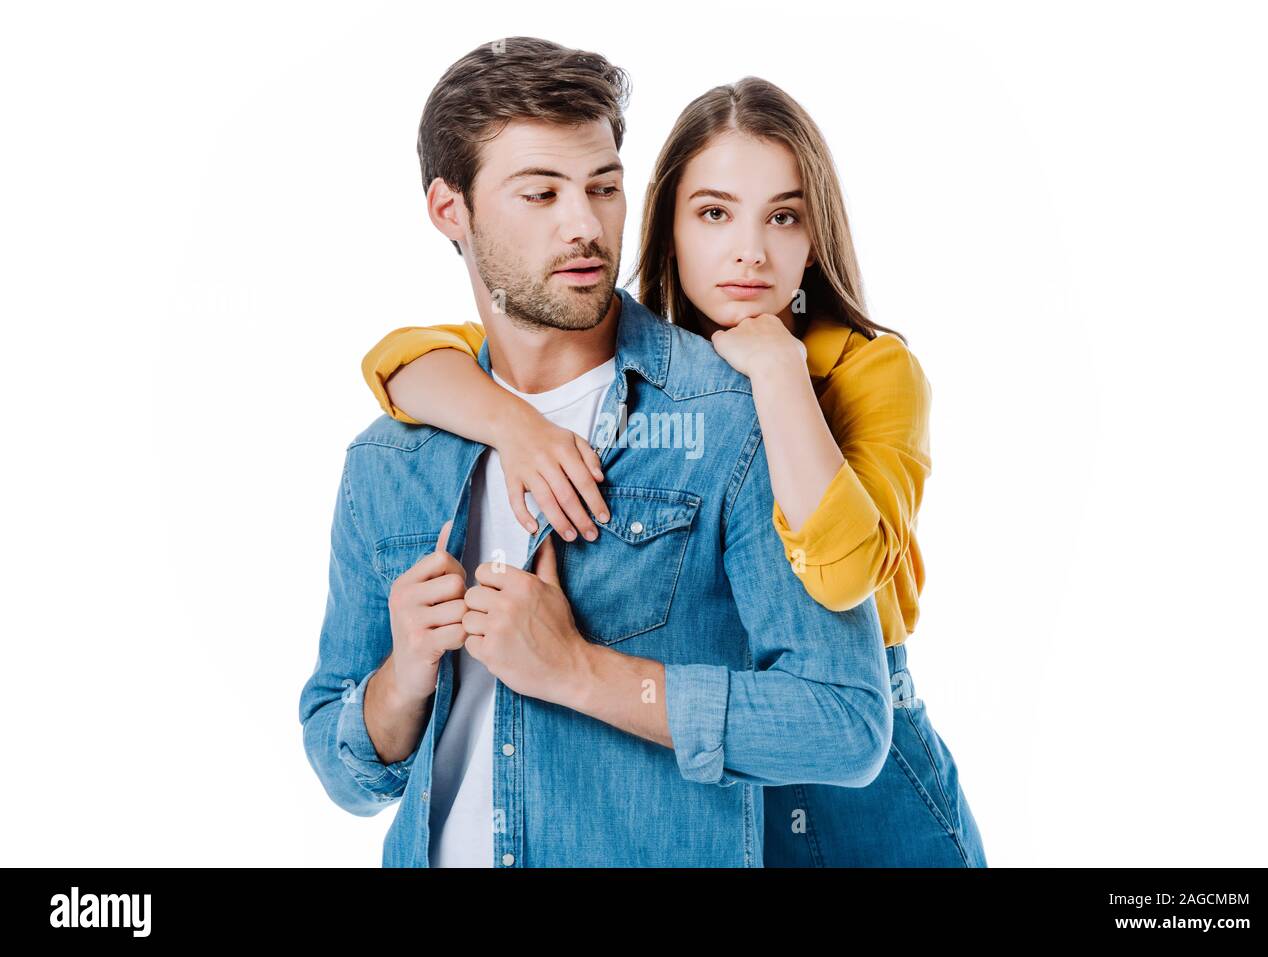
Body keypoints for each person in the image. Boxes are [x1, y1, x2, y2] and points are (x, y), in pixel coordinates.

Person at [358, 72, 986, 866]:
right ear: (670, 227)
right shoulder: (612, 347)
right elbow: (403, 358)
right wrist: (514, 425)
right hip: (705, 767)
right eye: (715, 213)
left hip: (858, 785)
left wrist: (780, 375)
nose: (749, 251)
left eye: (784, 216)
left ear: (814, 235)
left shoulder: (868, 371)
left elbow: (843, 572)